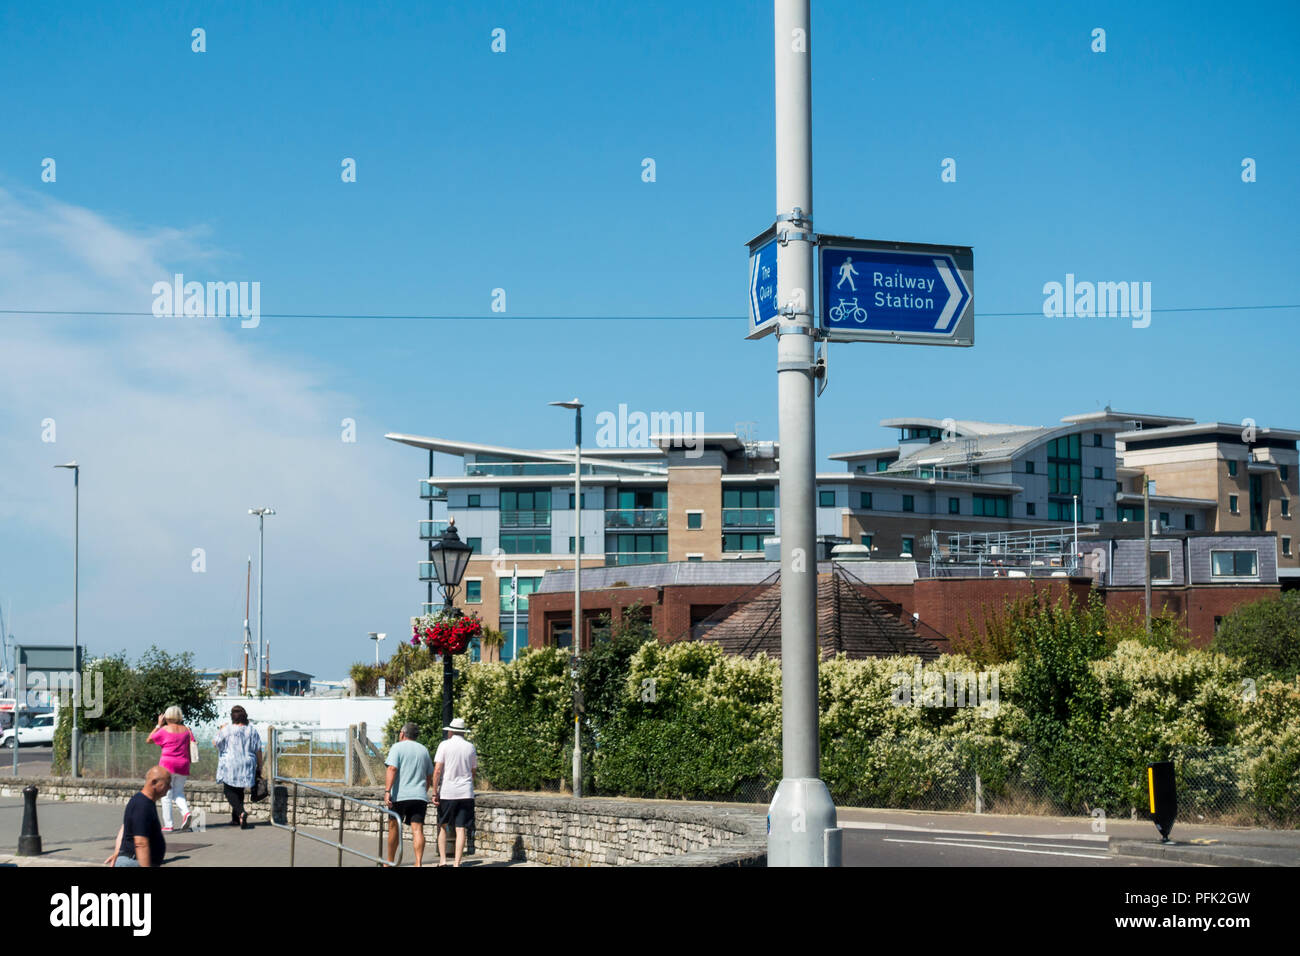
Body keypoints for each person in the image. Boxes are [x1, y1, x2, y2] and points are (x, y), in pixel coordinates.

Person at [384, 722, 434, 867]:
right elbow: (429, 775)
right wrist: (423, 791)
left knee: (393, 827)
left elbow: (392, 768)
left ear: (402, 734)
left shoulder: (397, 747)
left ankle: (390, 862)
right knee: (417, 829)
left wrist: (387, 791)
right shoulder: (423, 750)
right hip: (418, 796)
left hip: (399, 796)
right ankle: (418, 863)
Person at [432, 717, 477, 867]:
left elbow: (438, 770)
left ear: (451, 731)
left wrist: (434, 791)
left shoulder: (444, 745)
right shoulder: (470, 747)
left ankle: (443, 860)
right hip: (466, 792)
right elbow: (473, 771)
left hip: (447, 792)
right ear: (463, 732)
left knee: (443, 825)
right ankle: (457, 863)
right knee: (460, 828)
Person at [106, 766, 170, 867]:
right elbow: (140, 843)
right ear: (154, 782)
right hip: (134, 862)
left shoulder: (144, 802)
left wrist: (118, 852)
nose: (170, 787)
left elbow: (125, 827)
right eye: (167, 783)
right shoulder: (142, 805)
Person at [213, 705, 263, 829]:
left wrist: (221, 729)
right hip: (247, 763)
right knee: (239, 790)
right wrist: (260, 765)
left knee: (228, 790)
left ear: (232, 717)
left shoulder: (227, 729)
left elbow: (215, 742)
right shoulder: (252, 730)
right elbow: (258, 749)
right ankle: (236, 819)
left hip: (231, 763)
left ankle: (241, 811)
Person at [148, 706, 196, 832]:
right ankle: (186, 813)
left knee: (166, 795)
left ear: (167, 716)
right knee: (178, 792)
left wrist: (158, 725)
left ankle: (168, 824)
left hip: (167, 765)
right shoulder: (187, 730)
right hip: (183, 764)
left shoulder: (164, 730)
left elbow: (149, 739)